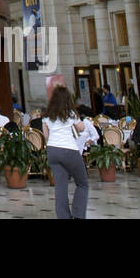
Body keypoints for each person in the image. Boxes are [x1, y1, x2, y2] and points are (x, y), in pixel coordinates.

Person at [42, 84, 89, 219]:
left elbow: (46, 135)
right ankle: (78, 214)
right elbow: (81, 128)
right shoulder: (70, 113)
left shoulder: (47, 115)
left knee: (60, 186)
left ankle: (63, 216)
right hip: (69, 150)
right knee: (82, 183)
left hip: (52, 150)